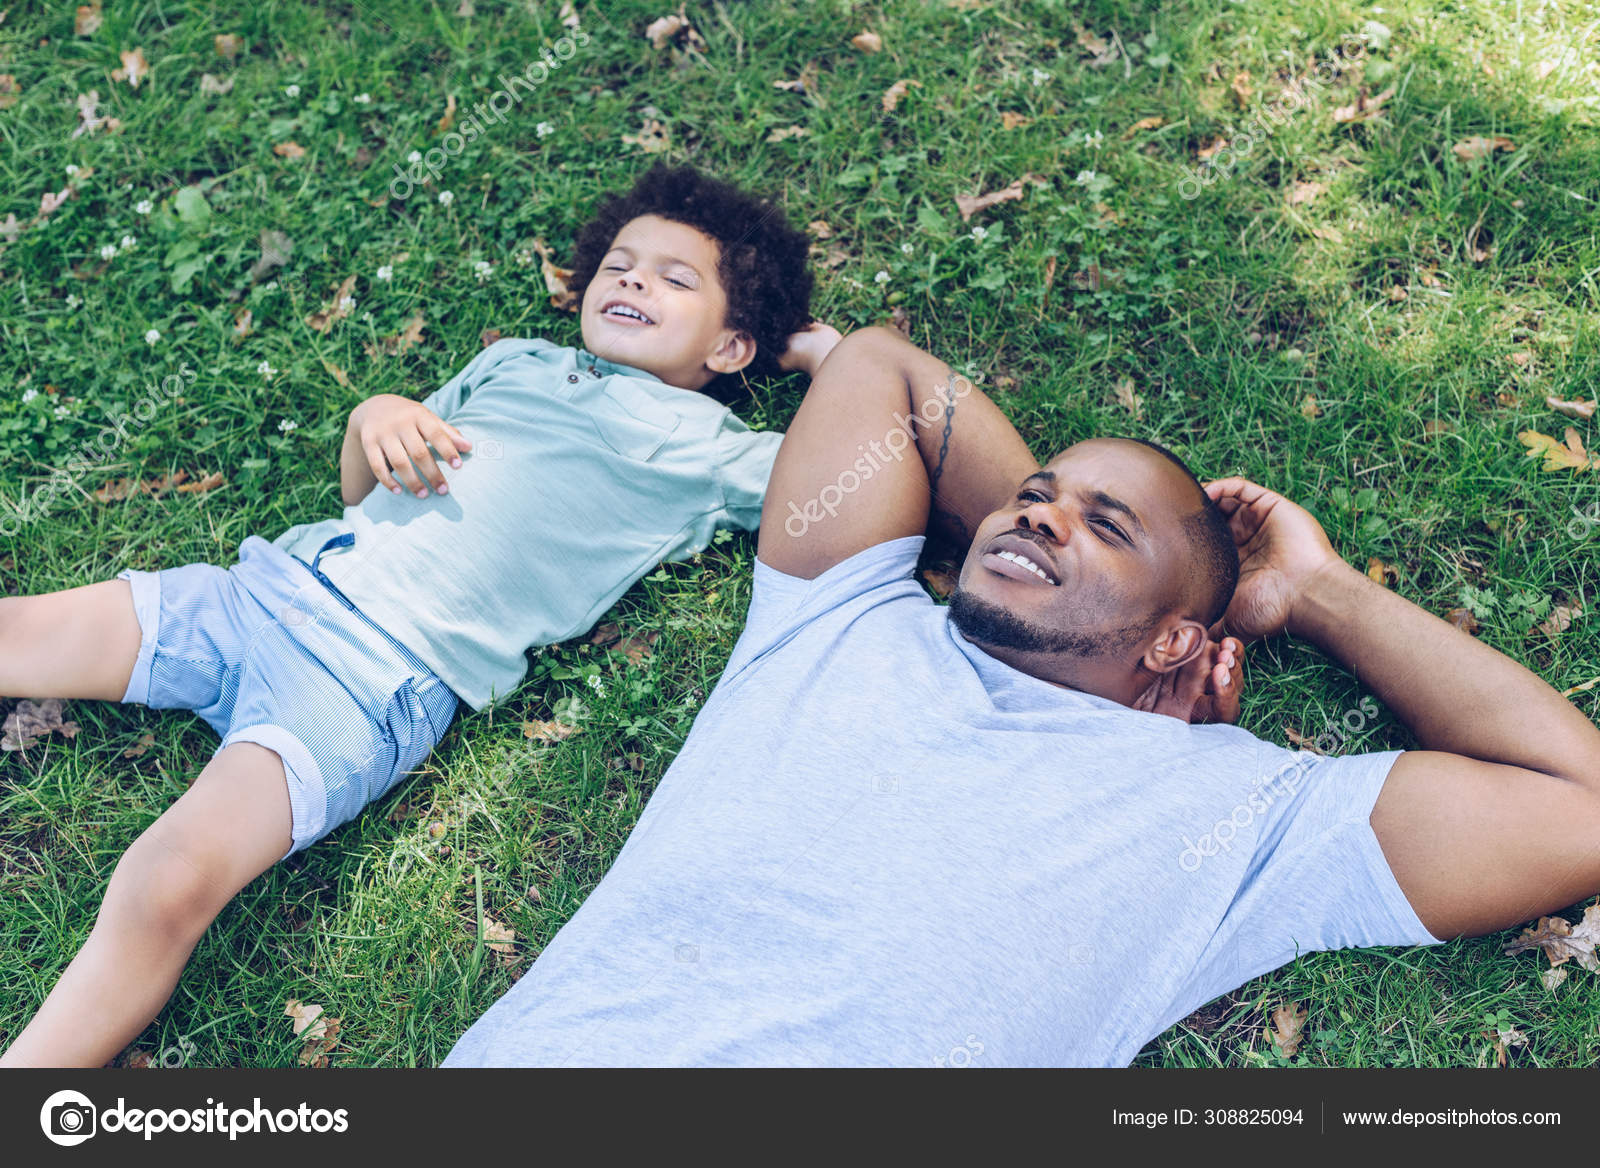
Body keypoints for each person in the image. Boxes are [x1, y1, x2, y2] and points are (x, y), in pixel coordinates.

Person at [0, 163, 840, 1068]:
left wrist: (830, 364)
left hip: (362, 686)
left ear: (731, 348)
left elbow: (845, 474)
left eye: (675, 280)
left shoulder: (710, 452)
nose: (634, 282)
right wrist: (373, 418)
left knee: (167, 879)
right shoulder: (516, 361)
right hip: (260, 592)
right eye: (620, 265)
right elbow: (367, 487)